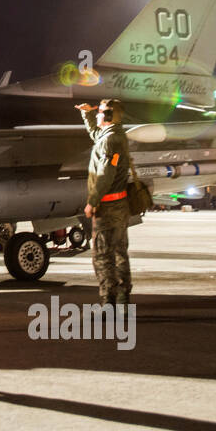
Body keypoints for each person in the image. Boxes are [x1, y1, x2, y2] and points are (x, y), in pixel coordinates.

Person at [76, 99, 133, 305]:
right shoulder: (114, 136)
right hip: (120, 205)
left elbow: (105, 174)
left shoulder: (111, 140)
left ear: (109, 116)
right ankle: (122, 301)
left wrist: (92, 201)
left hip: (108, 207)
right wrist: (87, 115)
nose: (98, 114)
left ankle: (108, 303)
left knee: (102, 257)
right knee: (119, 254)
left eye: (100, 112)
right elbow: (96, 135)